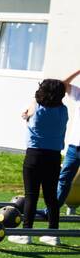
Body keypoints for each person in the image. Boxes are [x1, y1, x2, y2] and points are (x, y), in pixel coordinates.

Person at [12, 77, 69, 245]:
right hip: (53, 157)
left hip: (34, 156)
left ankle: (26, 233)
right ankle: (53, 235)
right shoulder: (63, 110)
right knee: (51, 197)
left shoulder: (35, 107)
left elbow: (30, 106)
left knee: (31, 196)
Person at [56, 68, 80, 209]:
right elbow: (62, 85)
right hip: (73, 148)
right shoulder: (79, 94)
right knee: (64, 179)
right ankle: (52, 211)